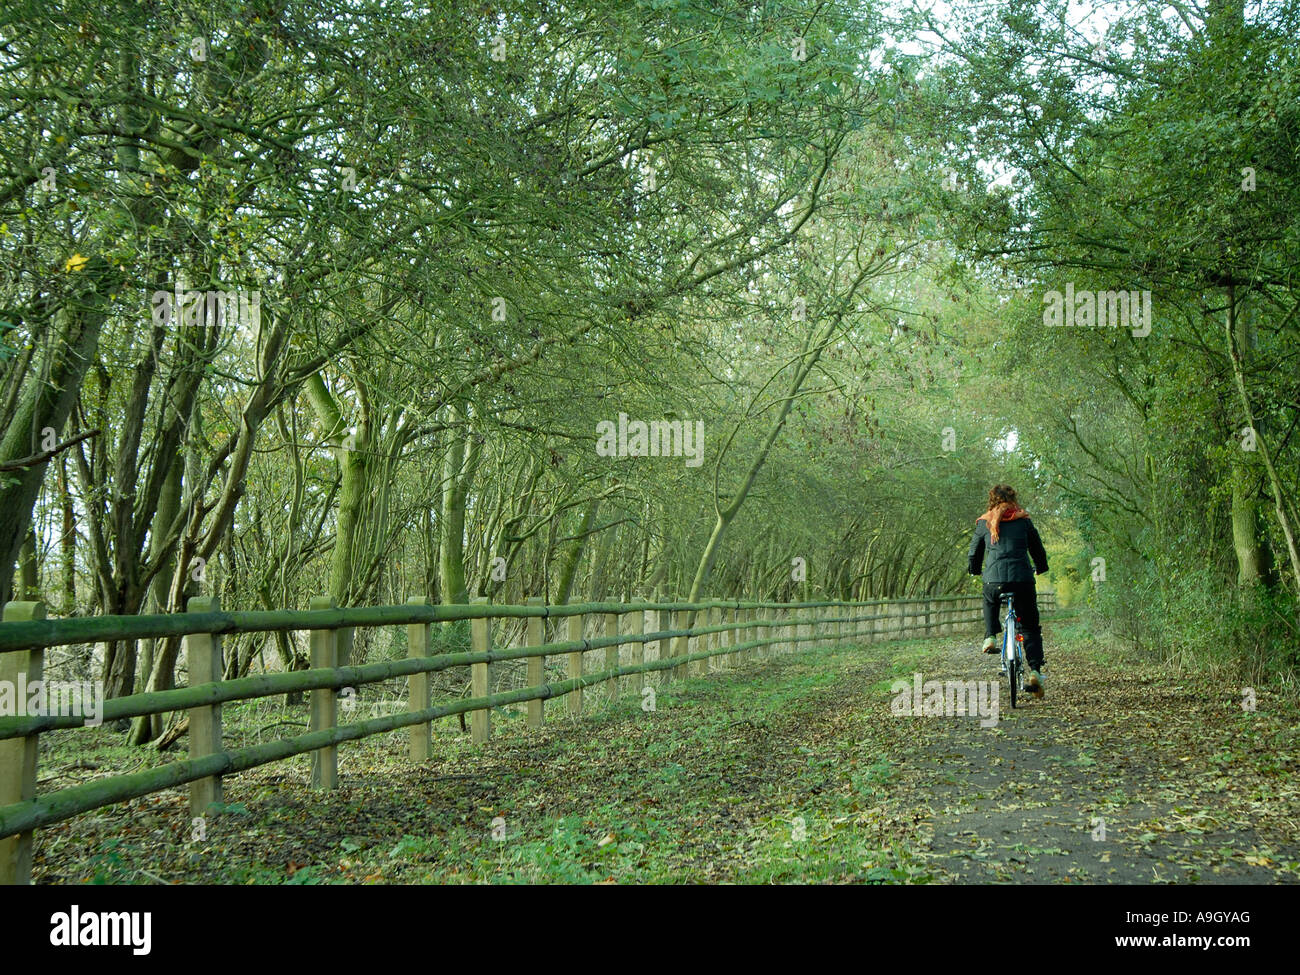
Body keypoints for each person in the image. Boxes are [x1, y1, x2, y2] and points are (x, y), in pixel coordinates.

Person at [967, 484, 1049, 697]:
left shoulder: (984, 522)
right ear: (1013, 499)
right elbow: (1037, 549)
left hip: (994, 581)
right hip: (1022, 580)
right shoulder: (1024, 521)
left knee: (989, 597)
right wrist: (1041, 567)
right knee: (1030, 627)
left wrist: (975, 570)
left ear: (991, 500)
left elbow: (974, 552)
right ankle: (1035, 670)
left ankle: (990, 636)